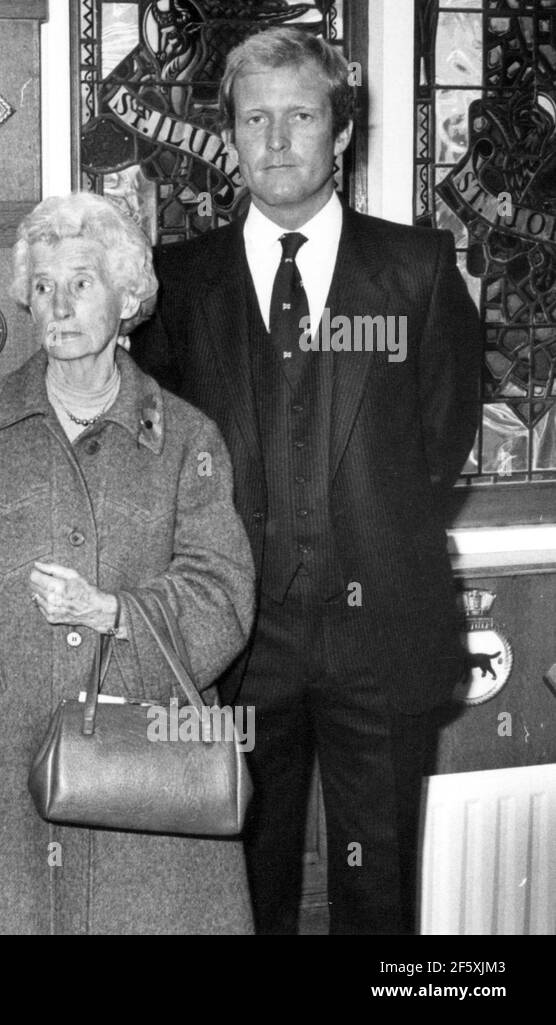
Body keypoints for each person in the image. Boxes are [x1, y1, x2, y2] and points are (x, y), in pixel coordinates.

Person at [131, 27, 482, 934]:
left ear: (341, 133)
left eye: (300, 116)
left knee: (380, 883)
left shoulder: (417, 270)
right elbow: (161, 458)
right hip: (234, 638)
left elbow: (441, 443)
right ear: (232, 136)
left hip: (382, 631)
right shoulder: (177, 281)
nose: (277, 140)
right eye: (256, 119)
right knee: (244, 882)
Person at [0, 192, 257, 934]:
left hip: (151, 766)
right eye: (44, 286)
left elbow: (224, 597)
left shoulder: (186, 438)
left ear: (128, 300)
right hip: (17, 758)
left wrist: (115, 613)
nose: (59, 304)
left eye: (83, 283)